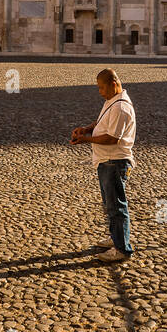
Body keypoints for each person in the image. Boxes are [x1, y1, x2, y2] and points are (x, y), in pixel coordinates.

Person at [70, 68, 136, 262]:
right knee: (109, 204)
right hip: (106, 161)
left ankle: (122, 249)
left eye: (102, 87)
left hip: (114, 162)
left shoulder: (121, 107)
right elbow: (102, 122)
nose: (100, 91)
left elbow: (112, 138)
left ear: (114, 84)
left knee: (116, 206)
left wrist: (86, 140)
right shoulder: (112, 101)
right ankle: (115, 238)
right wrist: (87, 129)